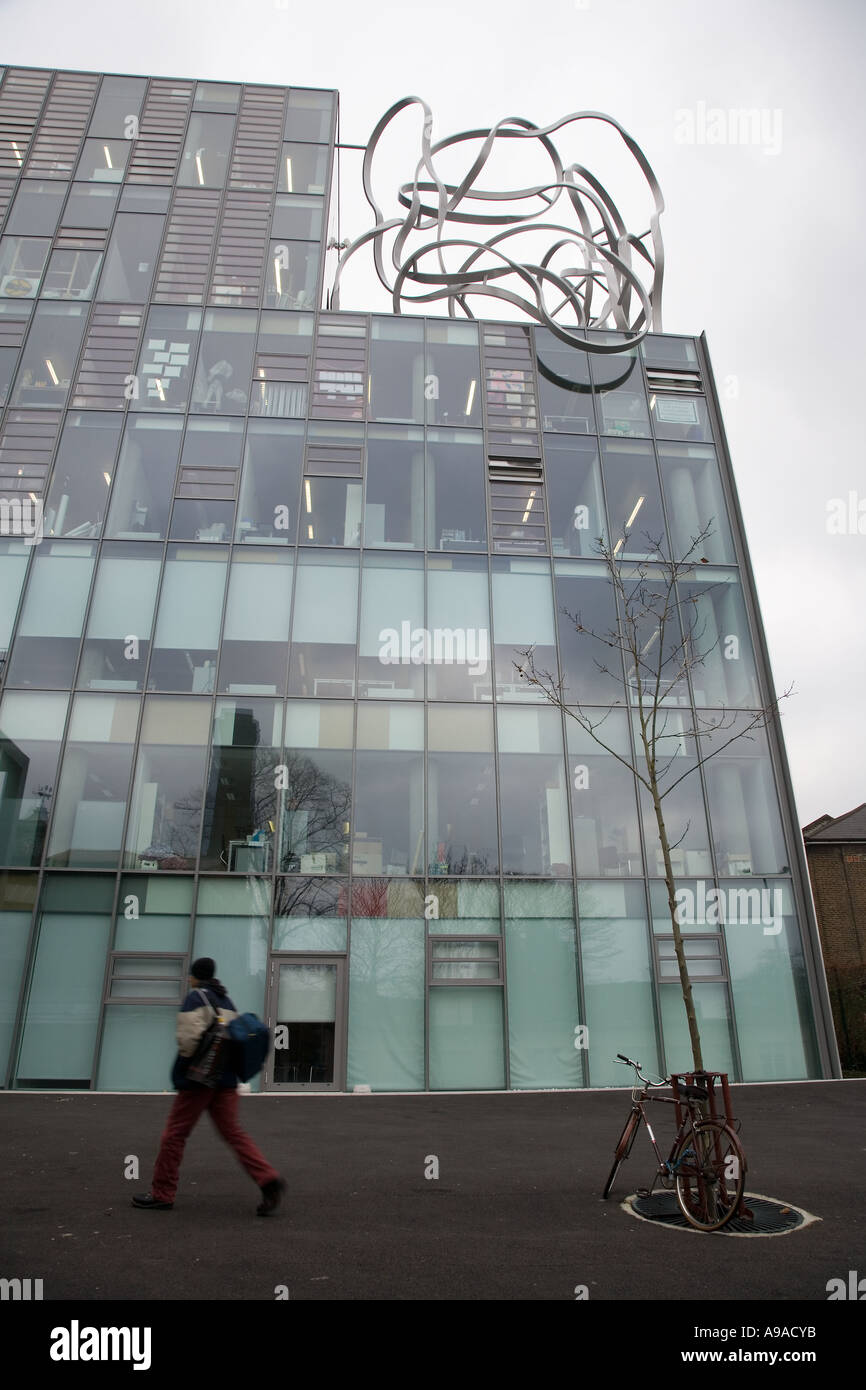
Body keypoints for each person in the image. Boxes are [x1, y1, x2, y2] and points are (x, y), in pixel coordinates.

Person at [132, 957, 285, 1216]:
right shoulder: (226, 1001)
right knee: (233, 1133)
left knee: (174, 1135)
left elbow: (188, 1042)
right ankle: (267, 1178)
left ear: (194, 975)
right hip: (226, 1082)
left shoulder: (195, 999)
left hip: (199, 1080)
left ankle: (162, 1193)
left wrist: (185, 1066)